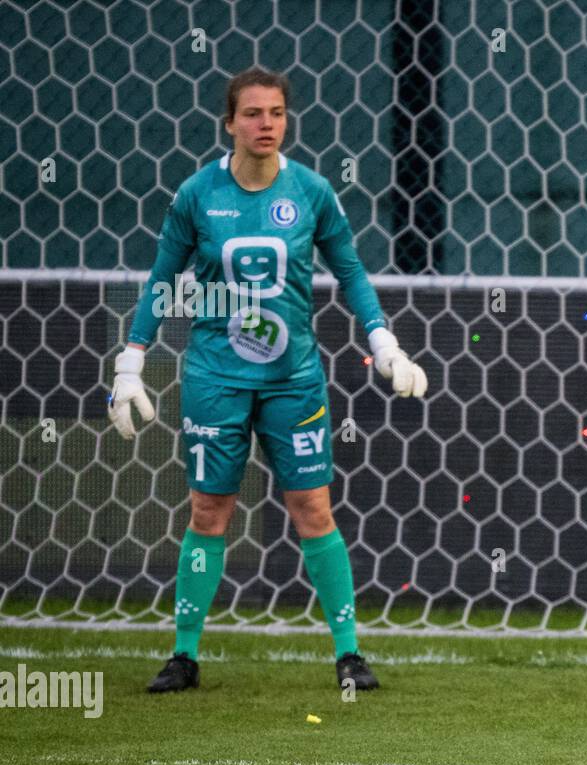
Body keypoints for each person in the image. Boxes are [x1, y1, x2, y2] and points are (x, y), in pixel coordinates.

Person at [108, 67, 427, 693]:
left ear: (287, 120)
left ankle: (349, 655)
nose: (266, 124)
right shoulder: (197, 195)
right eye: (252, 114)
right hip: (214, 377)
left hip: (294, 380)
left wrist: (383, 342)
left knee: (312, 507)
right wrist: (131, 360)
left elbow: (353, 272)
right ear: (229, 122)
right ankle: (184, 656)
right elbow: (162, 279)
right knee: (209, 509)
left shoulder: (311, 192)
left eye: (276, 113)